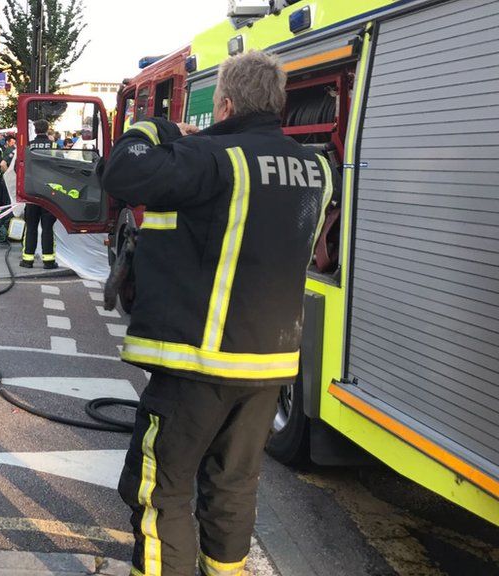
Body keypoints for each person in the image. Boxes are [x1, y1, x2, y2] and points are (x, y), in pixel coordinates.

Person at [103, 51, 334, 576]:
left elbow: (122, 170)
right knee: (232, 491)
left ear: (226, 103)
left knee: (160, 494)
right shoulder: (317, 169)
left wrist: (157, 126)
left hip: (199, 363)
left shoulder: (215, 160)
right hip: (268, 368)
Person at [21, 119, 58, 269]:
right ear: (47, 129)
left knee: (31, 227)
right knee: (48, 227)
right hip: (49, 193)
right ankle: (48, 261)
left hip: (31, 192)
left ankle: (27, 260)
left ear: (35, 130)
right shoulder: (54, 146)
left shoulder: (27, 146)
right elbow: (60, 167)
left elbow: (19, 168)